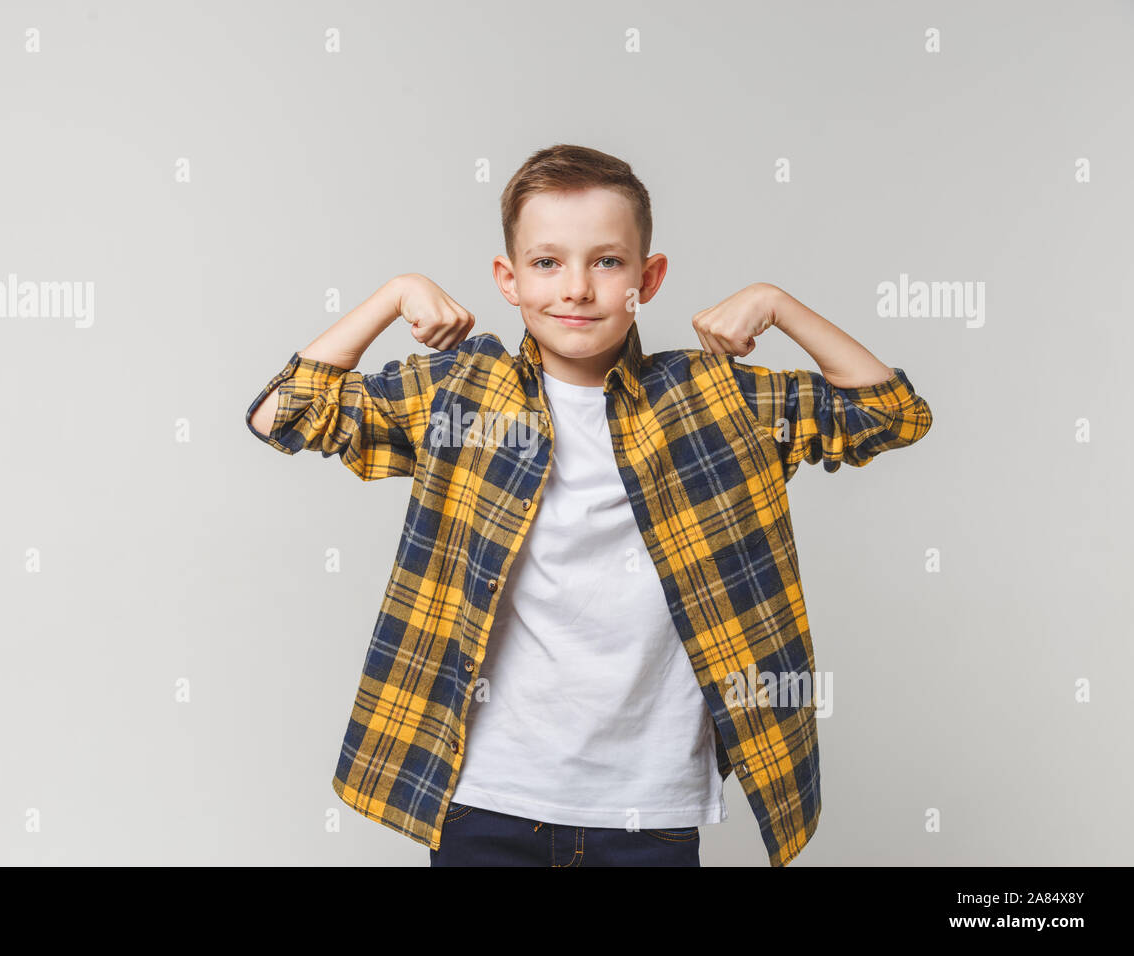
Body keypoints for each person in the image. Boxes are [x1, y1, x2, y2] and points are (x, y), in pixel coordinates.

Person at [246, 144, 933, 866]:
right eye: (547, 263)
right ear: (507, 280)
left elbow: (892, 414)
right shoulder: (463, 391)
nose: (575, 289)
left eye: (606, 262)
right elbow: (282, 414)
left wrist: (776, 303)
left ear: (649, 277)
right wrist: (395, 293)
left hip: (649, 808)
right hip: (488, 797)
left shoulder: (711, 400)